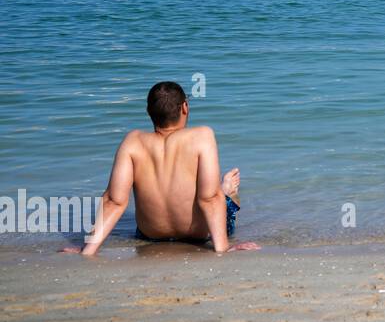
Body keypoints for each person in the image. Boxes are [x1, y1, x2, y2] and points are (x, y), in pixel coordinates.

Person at [63, 81, 259, 256]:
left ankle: (223, 189)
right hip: (199, 236)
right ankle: (227, 190)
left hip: (151, 236)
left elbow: (114, 201)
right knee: (222, 197)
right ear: (185, 107)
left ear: (148, 112)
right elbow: (208, 198)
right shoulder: (202, 136)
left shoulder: (133, 142)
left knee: (213, 193)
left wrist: (88, 250)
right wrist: (222, 249)